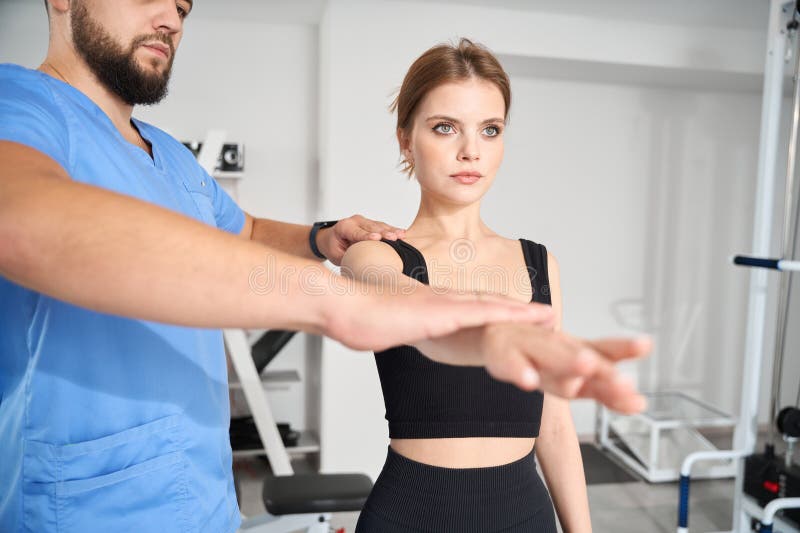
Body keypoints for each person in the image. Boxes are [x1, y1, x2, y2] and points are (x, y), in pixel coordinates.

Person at [0, 2, 648, 532]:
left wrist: (320, 236)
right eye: (446, 127)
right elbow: (20, 215)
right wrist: (347, 300)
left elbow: (245, 230)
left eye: (184, 1)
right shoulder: (21, 109)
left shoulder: (166, 158)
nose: (173, 12)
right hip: (83, 504)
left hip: (199, 498)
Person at [342, 39, 598, 532]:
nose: (470, 151)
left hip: (524, 515)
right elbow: (385, 289)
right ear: (405, 140)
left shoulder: (539, 264)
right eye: (445, 128)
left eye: (490, 129)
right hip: (411, 515)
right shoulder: (376, 255)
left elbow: (556, 422)